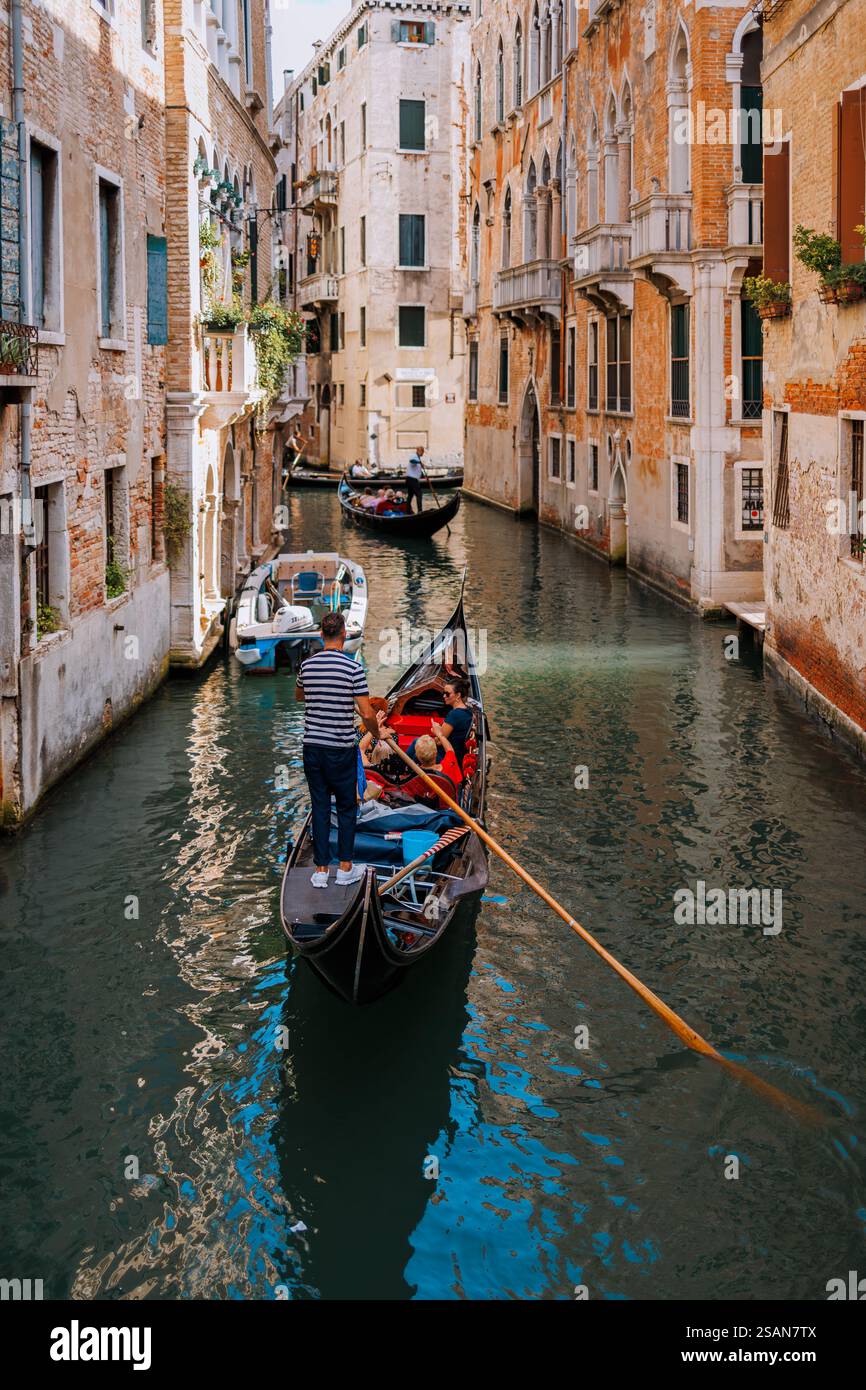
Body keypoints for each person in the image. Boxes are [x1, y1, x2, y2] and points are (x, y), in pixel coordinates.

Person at [295, 611, 381, 888]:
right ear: (344, 634)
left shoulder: (306, 666)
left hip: (313, 749)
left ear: (321, 635)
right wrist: (377, 733)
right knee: (345, 807)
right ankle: (345, 868)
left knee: (320, 806)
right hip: (341, 749)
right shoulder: (353, 668)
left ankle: (320, 871)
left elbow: (300, 696)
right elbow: (367, 714)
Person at [431, 673, 473, 767]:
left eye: (447, 694)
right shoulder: (467, 711)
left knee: (417, 744)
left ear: (458, 695)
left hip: (448, 758)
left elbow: (438, 742)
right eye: (443, 693)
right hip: (459, 756)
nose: (444, 696)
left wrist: (436, 729)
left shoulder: (454, 715)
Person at [405, 444, 425, 513]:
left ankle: (407, 511)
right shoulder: (414, 456)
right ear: (419, 451)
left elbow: (416, 471)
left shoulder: (418, 458)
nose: (423, 453)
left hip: (411, 479)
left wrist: (423, 475)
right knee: (419, 494)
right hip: (412, 480)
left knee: (410, 496)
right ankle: (420, 511)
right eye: (423, 451)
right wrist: (419, 462)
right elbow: (412, 461)